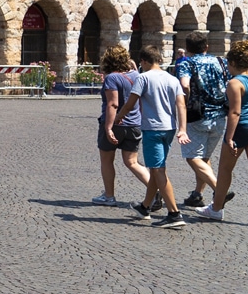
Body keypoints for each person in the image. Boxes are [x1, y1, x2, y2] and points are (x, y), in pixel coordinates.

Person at [197, 41, 248, 227]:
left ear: (232, 63)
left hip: (242, 127)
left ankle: (216, 209)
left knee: (225, 169)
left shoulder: (234, 83)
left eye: (228, 64)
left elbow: (235, 112)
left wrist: (230, 137)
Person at [114, 44, 190, 230]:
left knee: (158, 170)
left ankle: (174, 213)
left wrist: (118, 117)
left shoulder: (143, 78)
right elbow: (181, 105)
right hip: (169, 128)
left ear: (144, 61)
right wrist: (182, 129)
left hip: (153, 129)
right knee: (157, 168)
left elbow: (130, 103)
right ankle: (145, 206)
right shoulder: (172, 79)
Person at [174, 32, 229, 209]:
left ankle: (219, 190)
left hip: (198, 115)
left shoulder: (187, 63)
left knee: (192, 157)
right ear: (206, 46)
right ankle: (197, 194)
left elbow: (184, 84)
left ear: (187, 48)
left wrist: (186, 99)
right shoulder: (221, 61)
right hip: (220, 116)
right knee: (204, 157)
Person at [92, 45, 149, 206]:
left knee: (107, 160)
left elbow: (113, 104)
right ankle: (155, 189)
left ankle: (109, 196)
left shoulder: (112, 78)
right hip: (134, 124)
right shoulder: (136, 75)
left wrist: (108, 127)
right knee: (132, 162)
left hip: (116, 123)